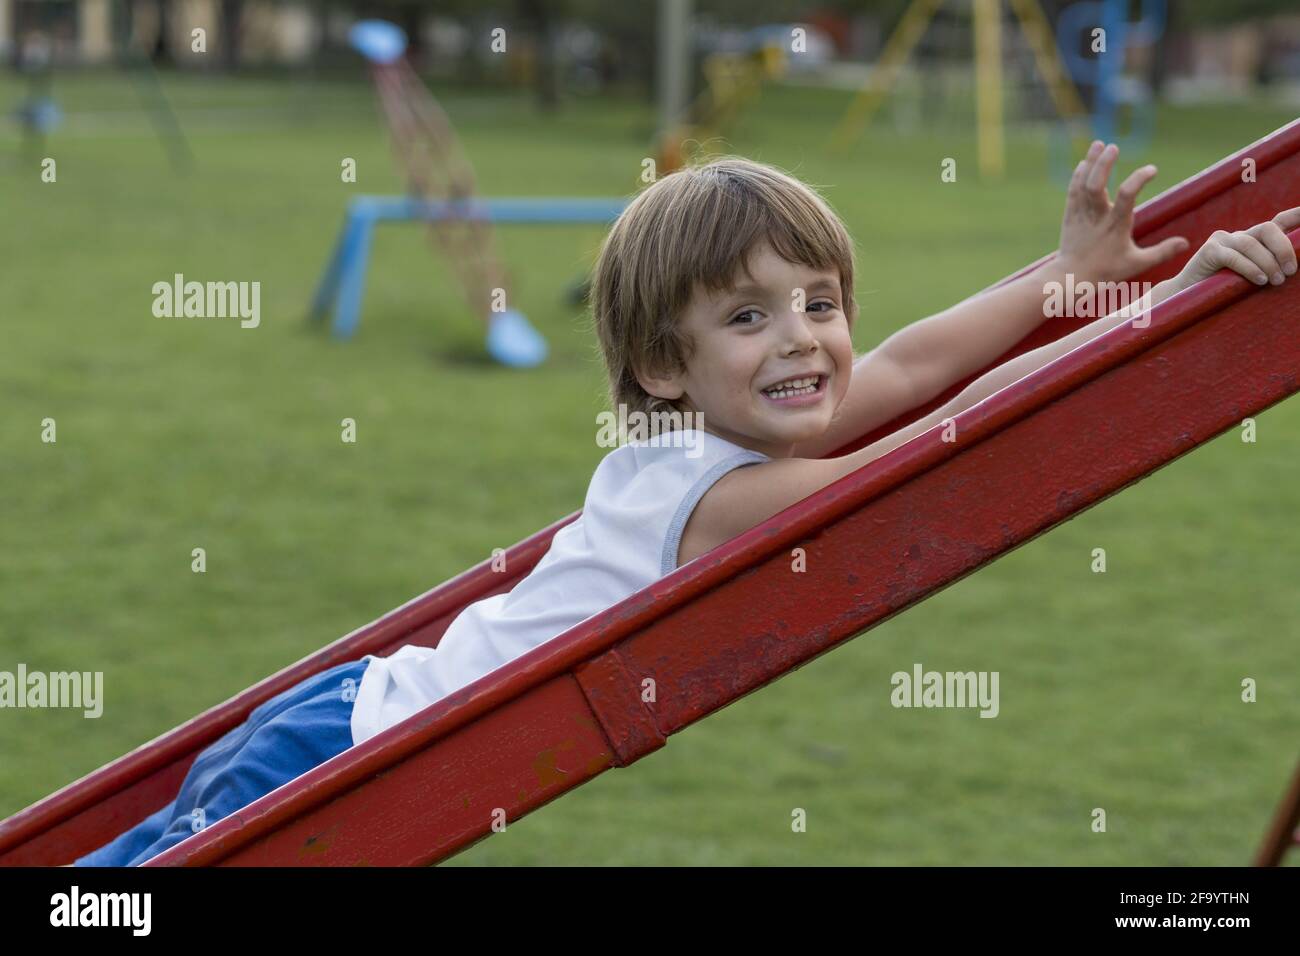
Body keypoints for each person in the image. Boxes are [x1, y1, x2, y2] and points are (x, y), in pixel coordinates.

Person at [73, 146, 1298, 865]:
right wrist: (1150, 318)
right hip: (335, 753)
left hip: (344, 709)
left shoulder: (692, 439)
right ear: (664, 362)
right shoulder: (722, 491)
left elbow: (920, 365)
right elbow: (945, 437)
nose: (806, 343)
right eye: (749, 317)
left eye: (821, 302)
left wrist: (1065, 283)